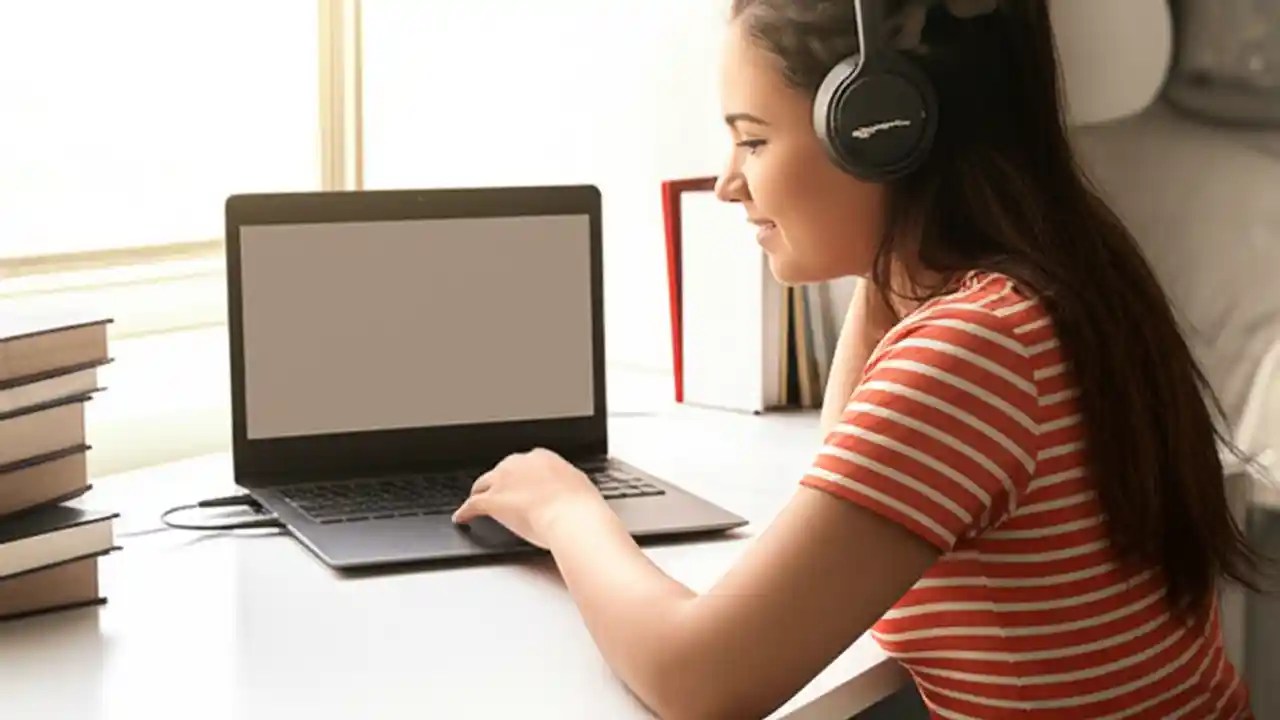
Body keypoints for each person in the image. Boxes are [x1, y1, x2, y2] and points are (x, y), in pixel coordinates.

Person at [452, 1, 1265, 717]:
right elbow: (852, 454)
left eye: (755, 140)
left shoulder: (975, 351)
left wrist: (566, 509)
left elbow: (699, 681)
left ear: (878, 128)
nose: (731, 183)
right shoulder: (1053, 280)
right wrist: (887, 257)